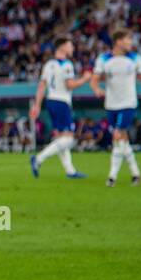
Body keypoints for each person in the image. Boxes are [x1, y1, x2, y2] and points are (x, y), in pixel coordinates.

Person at [90, 28, 141, 186]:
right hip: (111, 105)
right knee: (122, 139)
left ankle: (112, 177)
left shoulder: (136, 58)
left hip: (128, 104)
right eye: (128, 39)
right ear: (118, 41)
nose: (131, 42)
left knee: (117, 135)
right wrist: (96, 89)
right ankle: (136, 174)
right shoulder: (103, 59)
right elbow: (94, 79)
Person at [29, 37, 90, 179]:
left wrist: (37, 105)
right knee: (68, 139)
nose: (72, 48)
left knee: (62, 138)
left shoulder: (48, 64)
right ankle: (38, 159)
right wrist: (85, 79)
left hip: (51, 101)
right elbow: (70, 85)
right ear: (62, 47)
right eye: (70, 45)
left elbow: (41, 86)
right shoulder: (67, 65)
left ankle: (70, 171)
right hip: (62, 102)